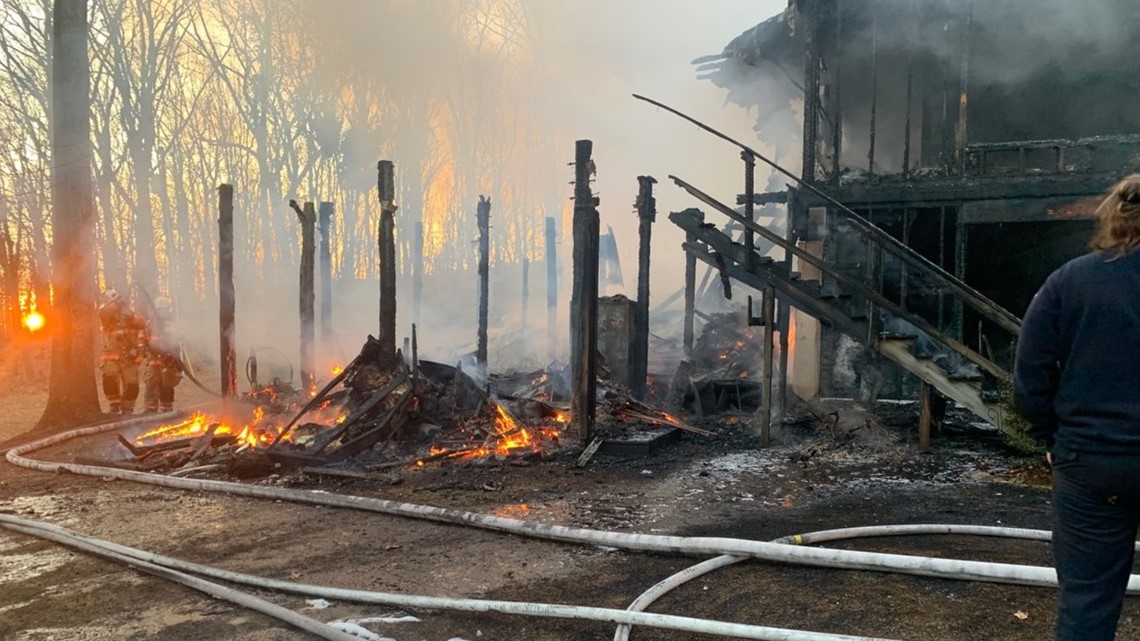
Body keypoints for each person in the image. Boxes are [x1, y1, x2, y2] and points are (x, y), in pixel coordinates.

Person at [1014, 174, 1140, 641]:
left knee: (1087, 604)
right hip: (1088, 457)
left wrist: (1053, 436)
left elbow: (1030, 375)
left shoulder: (1069, 281)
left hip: (1090, 464)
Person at [98, 289, 146, 414]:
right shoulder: (105, 314)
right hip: (111, 354)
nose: (117, 303)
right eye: (113, 301)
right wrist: (116, 305)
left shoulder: (130, 314)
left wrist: (139, 349)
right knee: (109, 377)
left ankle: (128, 409)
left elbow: (141, 324)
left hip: (129, 356)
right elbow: (104, 312)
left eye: (118, 300)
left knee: (132, 383)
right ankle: (114, 405)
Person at [143, 297, 183, 413]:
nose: (162, 312)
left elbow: (179, 338)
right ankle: (150, 408)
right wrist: (146, 351)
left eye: (164, 309)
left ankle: (166, 407)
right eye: (160, 309)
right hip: (153, 358)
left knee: (167, 383)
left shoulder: (174, 322)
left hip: (169, 358)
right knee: (151, 381)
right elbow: (145, 338)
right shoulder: (150, 322)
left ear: (168, 309)